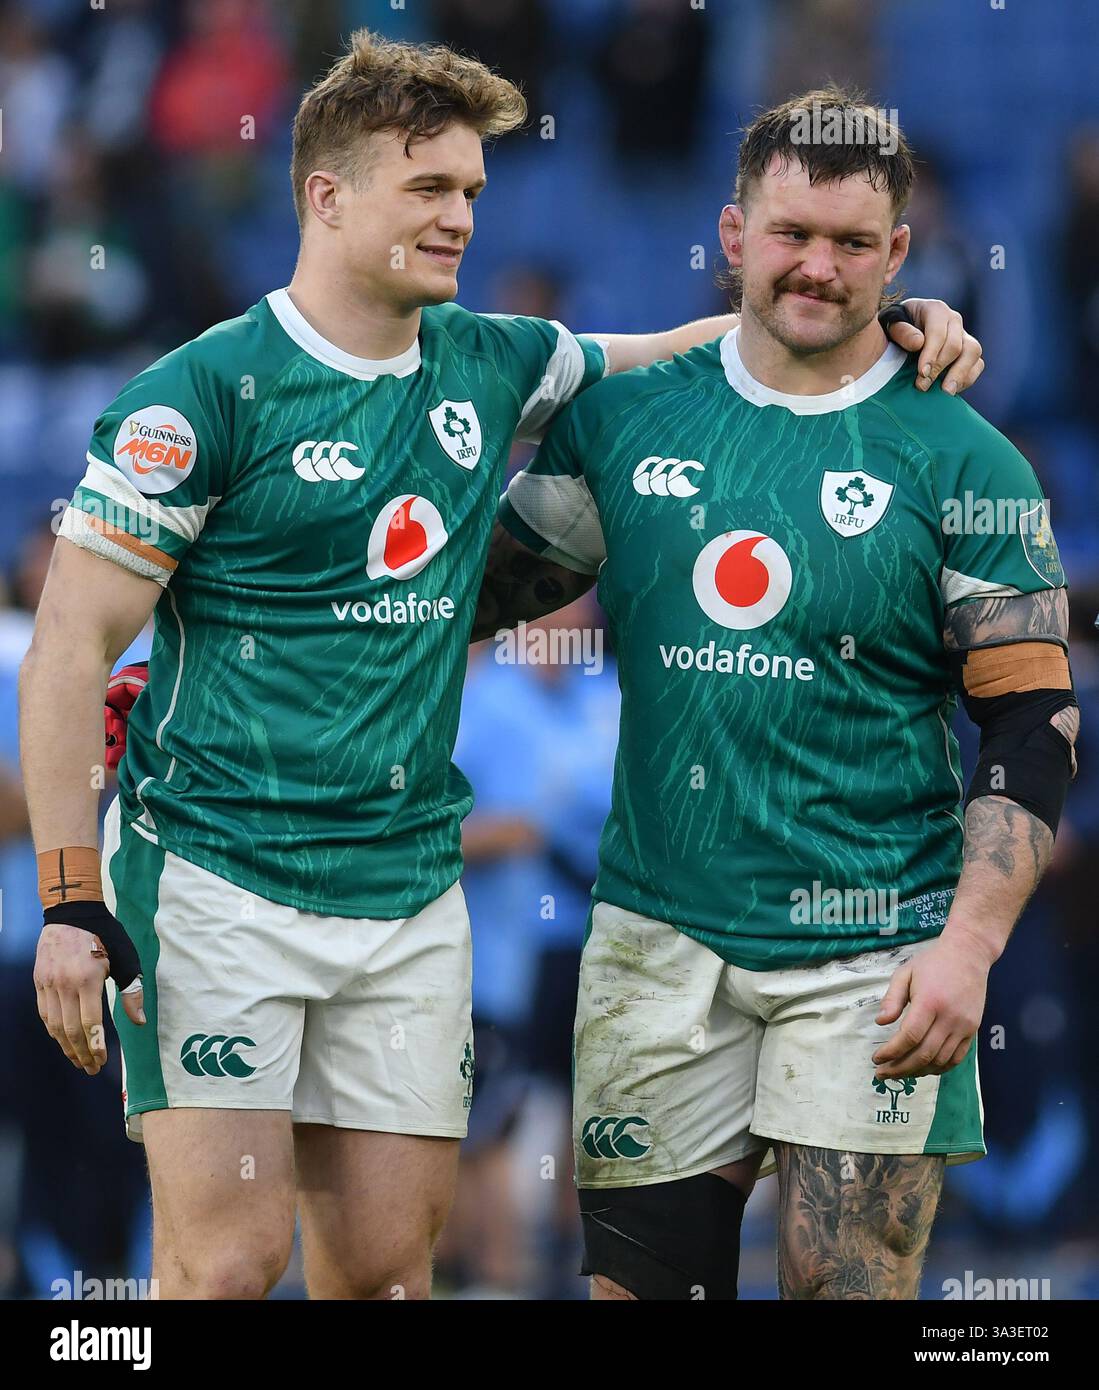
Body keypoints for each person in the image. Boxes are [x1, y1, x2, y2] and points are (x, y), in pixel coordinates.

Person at [34, 27, 979, 1299]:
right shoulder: (200, 396)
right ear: (324, 194)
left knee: (383, 1272)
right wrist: (69, 901)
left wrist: (886, 324)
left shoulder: (499, 360)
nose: (461, 217)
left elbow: (696, 353)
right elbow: (68, 650)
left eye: (474, 191)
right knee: (230, 1263)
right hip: (213, 876)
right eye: (428, 188)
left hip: (407, 891)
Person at [473, 87, 1078, 1300]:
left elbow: (1032, 721)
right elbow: (475, 598)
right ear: (733, 231)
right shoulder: (627, 418)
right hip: (658, 934)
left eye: (855, 244)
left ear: (898, 253)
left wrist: (968, 950)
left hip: (877, 951)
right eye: (791, 233)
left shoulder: (965, 456)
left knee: (843, 1291)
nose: (819, 266)